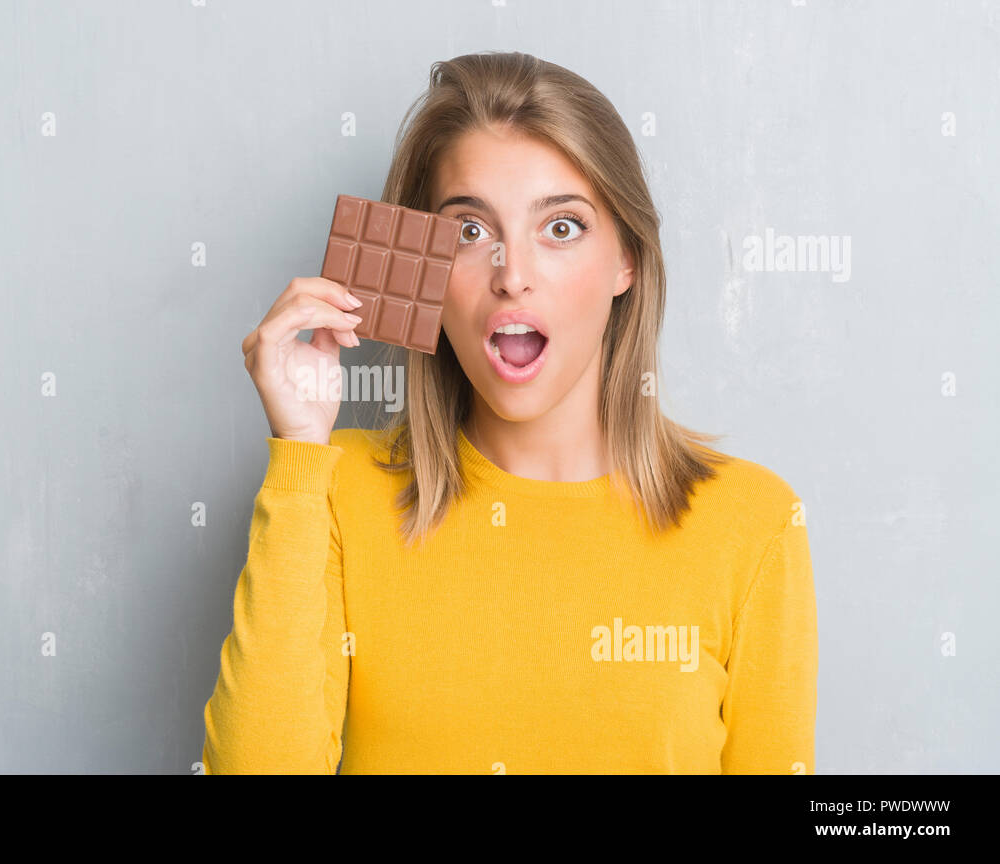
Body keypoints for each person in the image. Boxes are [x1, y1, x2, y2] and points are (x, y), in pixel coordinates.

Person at [203, 51, 817, 774]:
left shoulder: (752, 524)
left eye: (561, 227)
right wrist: (300, 454)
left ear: (627, 261)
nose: (512, 275)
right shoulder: (338, 493)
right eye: (469, 230)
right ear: (421, 267)